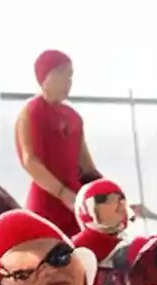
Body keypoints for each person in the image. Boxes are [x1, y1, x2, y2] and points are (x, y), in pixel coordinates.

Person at [15, 50, 99, 237]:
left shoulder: (74, 117)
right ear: (45, 76)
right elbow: (31, 161)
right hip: (47, 200)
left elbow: (86, 166)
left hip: (75, 202)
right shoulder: (32, 111)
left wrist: (109, 194)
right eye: (62, 74)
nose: (68, 81)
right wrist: (62, 193)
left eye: (70, 76)